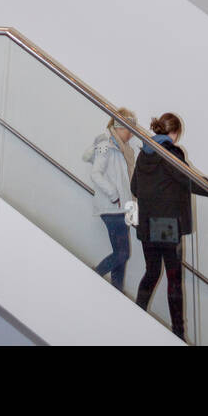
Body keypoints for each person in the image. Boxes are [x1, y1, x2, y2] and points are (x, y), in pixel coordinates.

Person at [132, 112, 208, 342]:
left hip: (147, 224)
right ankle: (178, 334)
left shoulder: (144, 153)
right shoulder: (171, 152)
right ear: (174, 133)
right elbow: (189, 180)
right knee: (174, 279)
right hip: (166, 224)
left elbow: (135, 187)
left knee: (151, 272)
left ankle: (135, 316)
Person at [83, 108, 137, 290]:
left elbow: (126, 182)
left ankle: (116, 293)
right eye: (128, 129)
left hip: (122, 209)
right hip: (111, 207)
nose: (131, 134)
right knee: (123, 254)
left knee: (121, 256)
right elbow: (96, 174)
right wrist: (114, 195)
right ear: (118, 127)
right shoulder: (105, 145)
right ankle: (95, 274)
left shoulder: (123, 150)